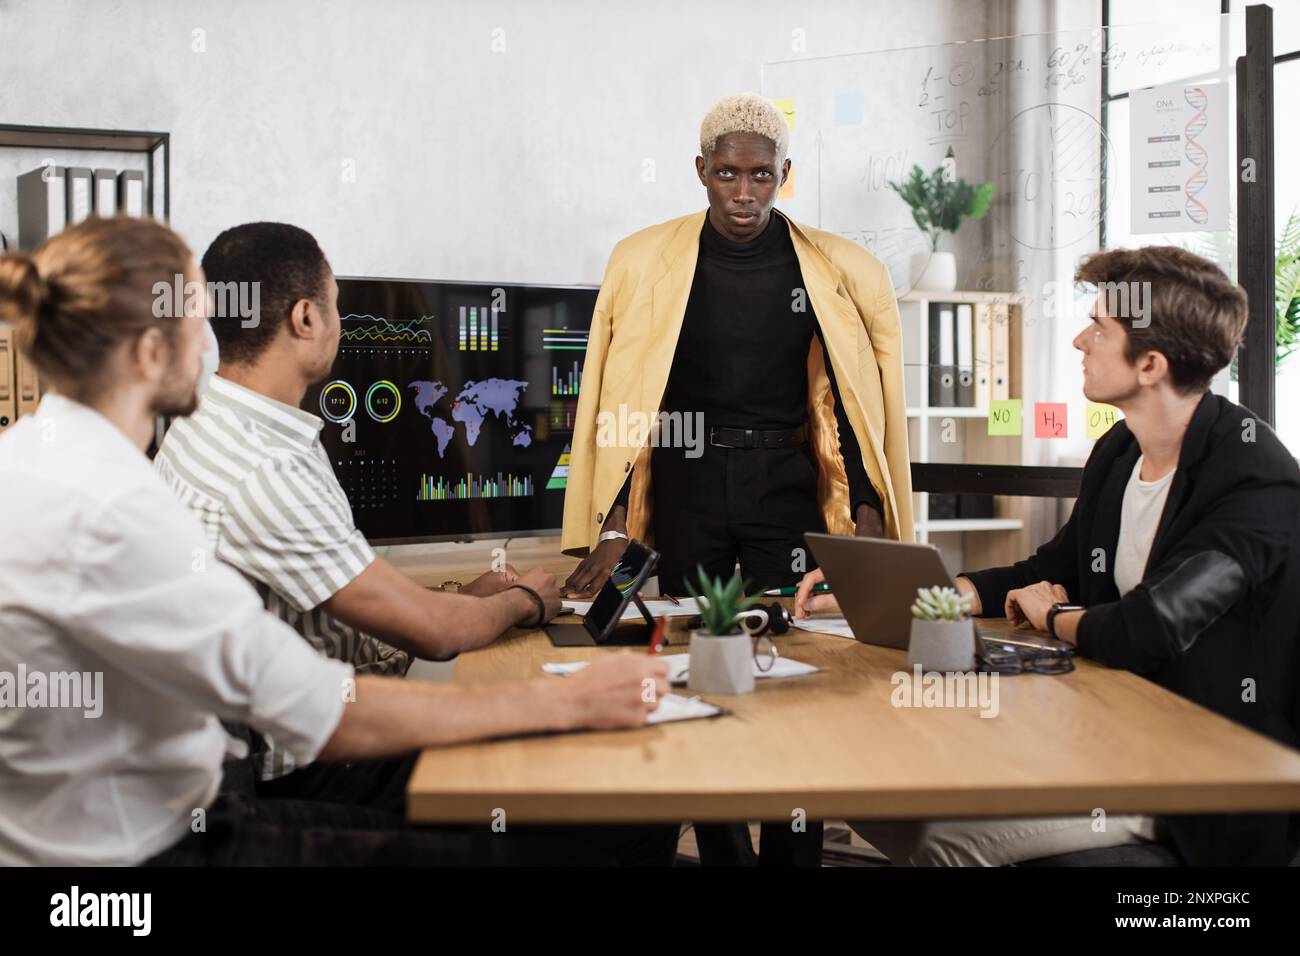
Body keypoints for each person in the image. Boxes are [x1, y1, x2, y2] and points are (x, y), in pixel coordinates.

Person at [0, 215, 672, 866]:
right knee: (595, 829)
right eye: (192, 321)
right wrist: (567, 697)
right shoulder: (130, 503)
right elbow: (326, 711)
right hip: (167, 840)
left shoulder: (53, 459)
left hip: (153, 804)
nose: (208, 342)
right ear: (150, 351)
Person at [797, 245, 1300, 866]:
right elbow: (1052, 568)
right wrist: (935, 593)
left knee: (941, 837)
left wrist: (1053, 619)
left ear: (1150, 364)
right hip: (1108, 729)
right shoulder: (1121, 450)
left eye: (1100, 328)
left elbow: (1152, 624)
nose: (1079, 342)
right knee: (879, 799)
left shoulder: (1253, 477)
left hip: (1199, 772)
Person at [561, 93, 914, 865]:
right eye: (727, 173)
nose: (744, 192)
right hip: (685, 483)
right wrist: (614, 523)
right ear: (701, 172)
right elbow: (622, 398)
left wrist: (874, 520)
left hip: (787, 483)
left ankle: (793, 857)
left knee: (804, 672)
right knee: (696, 667)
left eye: (761, 174)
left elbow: (856, 404)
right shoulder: (643, 259)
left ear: (785, 175)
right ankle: (722, 852)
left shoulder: (840, 270)